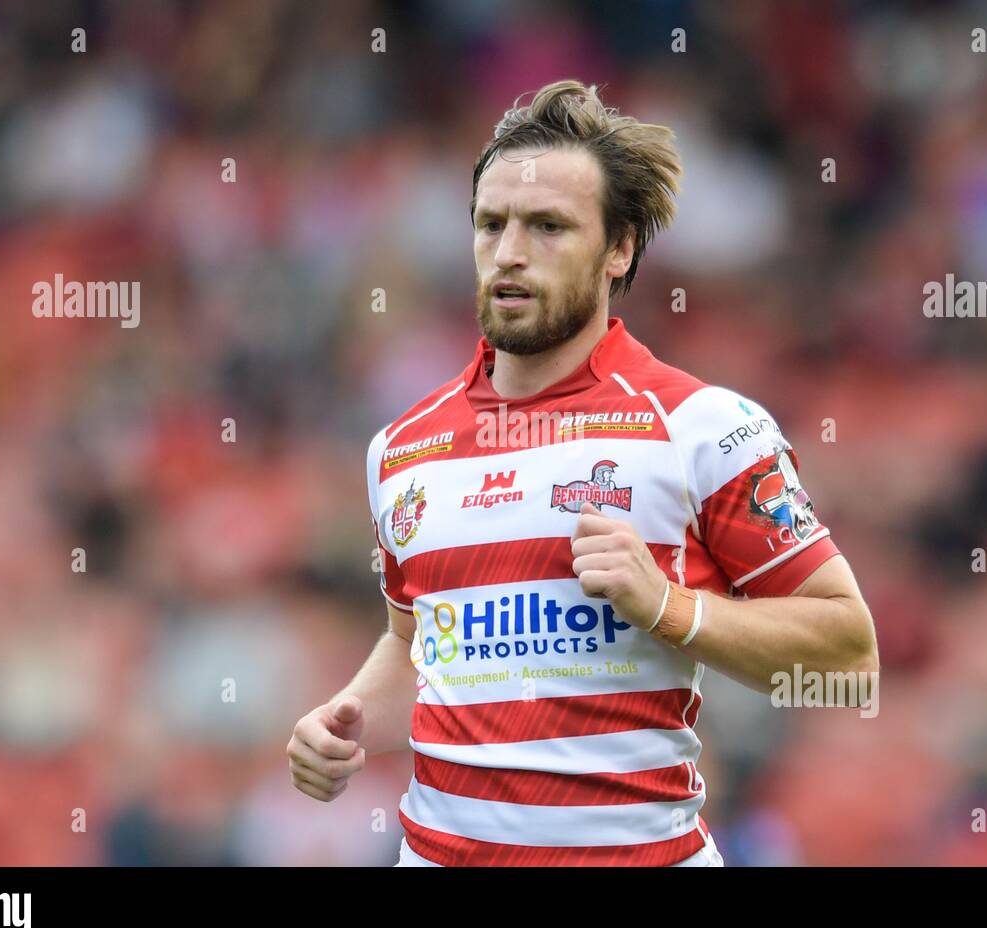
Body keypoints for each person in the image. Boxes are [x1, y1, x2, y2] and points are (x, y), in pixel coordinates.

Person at [287, 79, 878, 866]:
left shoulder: (703, 427)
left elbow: (851, 662)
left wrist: (670, 608)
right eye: (490, 224)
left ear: (619, 249)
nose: (509, 253)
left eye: (548, 227)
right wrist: (346, 717)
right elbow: (414, 641)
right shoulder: (402, 448)